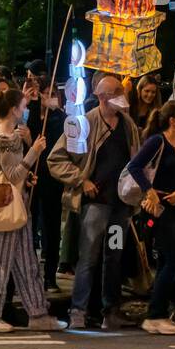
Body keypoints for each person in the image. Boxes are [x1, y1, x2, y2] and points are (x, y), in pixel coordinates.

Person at [48, 74, 141, 330]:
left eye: (121, 91)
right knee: (88, 257)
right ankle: (78, 309)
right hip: (96, 204)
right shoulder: (83, 123)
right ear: (101, 97)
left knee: (114, 256)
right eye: (114, 92)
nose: (120, 96)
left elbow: (136, 159)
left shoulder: (128, 124)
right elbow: (55, 160)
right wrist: (81, 180)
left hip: (120, 205)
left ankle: (110, 311)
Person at [0, 88, 65, 333]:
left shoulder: (7, 135)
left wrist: (26, 178)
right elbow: (13, 174)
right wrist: (34, 151)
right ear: (14, 109)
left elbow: (16, 176)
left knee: (26, 260)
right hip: (8, 206)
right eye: (24, 106)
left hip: (17, 204)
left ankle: (37, 312)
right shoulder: (6, 138)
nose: (26, 110)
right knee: (1, 259)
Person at [126, 98, 175, 334]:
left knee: (169, 260)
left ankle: (160, 311)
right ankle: (155, 314)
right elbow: (134, 167)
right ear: (173, 120)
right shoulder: (158, 142)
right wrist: (149, 190)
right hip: (158, 210)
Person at [27, 79, 67, 290]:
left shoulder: (59, 118)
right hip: (30, 177)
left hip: (51, 179)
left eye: (53, 92)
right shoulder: (29, 114)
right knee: (29, 226)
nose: (50, 96)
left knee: (51, 227)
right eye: (46, 92)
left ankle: (49, 275)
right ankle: (29, 273)